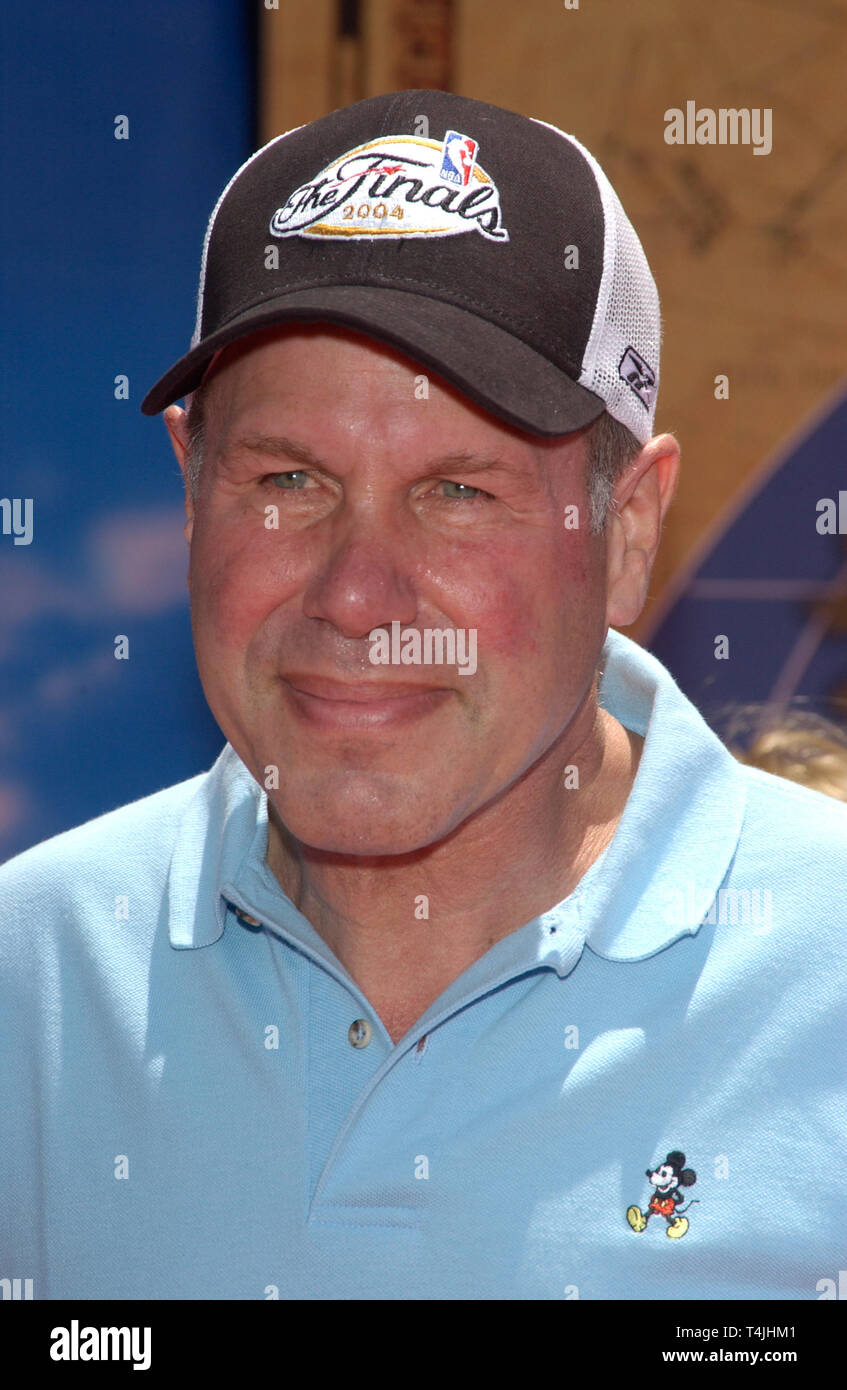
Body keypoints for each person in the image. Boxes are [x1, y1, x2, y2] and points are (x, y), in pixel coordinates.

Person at [1, 89, 845, 1302]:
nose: (357, 596)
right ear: (190, 490)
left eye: (460, 492)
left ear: (626, 530)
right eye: (288, 478)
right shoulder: (29, 978)